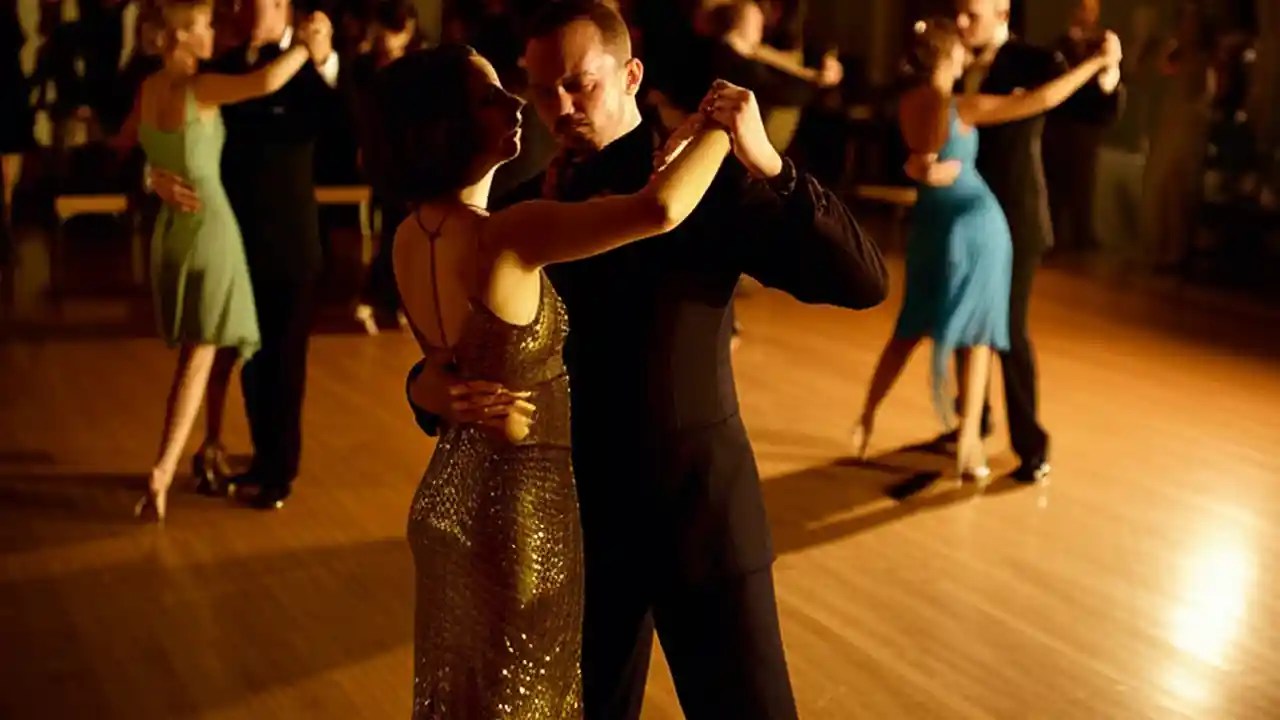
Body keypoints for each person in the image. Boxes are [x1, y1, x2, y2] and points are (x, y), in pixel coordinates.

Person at [407, 3, 888, 718]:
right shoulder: (516, 213)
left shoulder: (706, 180)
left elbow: (862, 281)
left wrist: (771, 163)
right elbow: (465, 356)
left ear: (631, 74)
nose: (560, 107)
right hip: (574, 531)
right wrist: (426, 389)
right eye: (542, 90)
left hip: (700, 515)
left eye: (580, 85)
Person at [376, 42, 733, 719]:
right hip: (521, 510)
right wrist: (721, 122)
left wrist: (426, 386)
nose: (515, 102)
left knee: (466, 701)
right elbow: (658, 211)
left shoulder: (406, 236)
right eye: (489, 97)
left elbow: (450, 368)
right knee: (528, 701)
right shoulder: (508, 235)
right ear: (446, 123)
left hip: (448, 497)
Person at [852, 19, 1121, 479]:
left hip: (970, 220)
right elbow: (1039, 100)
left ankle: (1019, 444)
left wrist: (1104, 73)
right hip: (971, 222)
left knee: (957, 329)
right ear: (947, 59)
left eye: (970, 15)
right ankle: (969, 437)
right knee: (974, 335)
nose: (963, 31)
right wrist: (1095, 61)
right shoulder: (958, 102)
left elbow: (920, 164)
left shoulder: (923, 99)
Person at [132, 0, 324, 521]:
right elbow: (264, 84)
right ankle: (167, 467)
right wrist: (309, 46)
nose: (217, 27)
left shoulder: (149, 89)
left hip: (174, 234)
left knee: (220, 353)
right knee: (205, 355)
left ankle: (214, 449)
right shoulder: (204, 85)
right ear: (178, 37)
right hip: (214, 234)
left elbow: (145, 150)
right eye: (204, 24)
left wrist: (152, 178)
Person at [346, 0, 429, 334]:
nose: (387, 36)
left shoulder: (421, 63)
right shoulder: (366, 65)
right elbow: (357, 111)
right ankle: (377, 299)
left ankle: (391, 302)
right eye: (385, 28)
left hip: (412, 156)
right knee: (394, 229)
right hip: (381, 154)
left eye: (395, 29)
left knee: (405, 229)